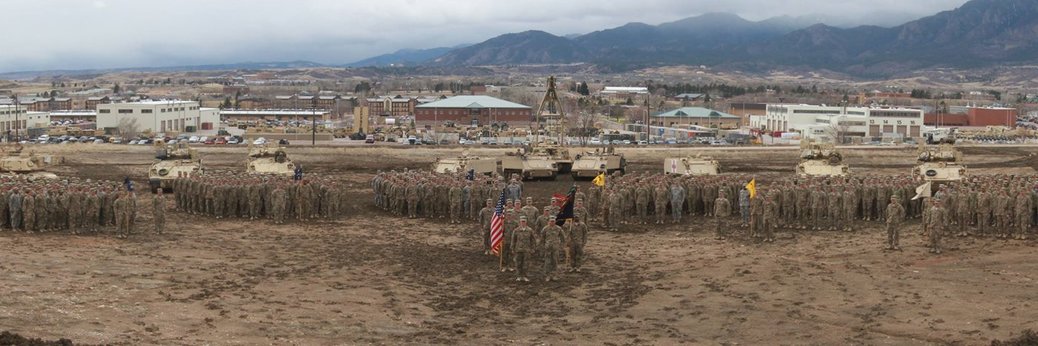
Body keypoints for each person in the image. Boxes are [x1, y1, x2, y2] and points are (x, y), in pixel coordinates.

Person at [511, 216, 537, 282]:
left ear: (526, 222)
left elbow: (533, 240)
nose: (523, 223)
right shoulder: (516, 230)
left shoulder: (530, 230)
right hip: (518, 249)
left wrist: (533, 248)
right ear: (520, 222)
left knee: (526, 263)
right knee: (518, 263)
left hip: (527, 250)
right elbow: (513, 240)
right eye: (522, 221)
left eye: (524, 221)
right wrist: (513, 249)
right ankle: (519, 276)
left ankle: (525, 276)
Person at [542, 217, 564, 282]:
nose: (552, 222)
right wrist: (543, 246)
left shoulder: (558, 228)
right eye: (551, 221)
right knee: (547, 262)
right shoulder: (545, 229)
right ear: (549, 221)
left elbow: (563, 238)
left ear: (555, 222)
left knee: (555, 261)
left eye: (553, 221)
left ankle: (554, 275)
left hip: (555, 248)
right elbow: (542, 238)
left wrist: (561, 246)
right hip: (548, 248)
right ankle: (548, 275)